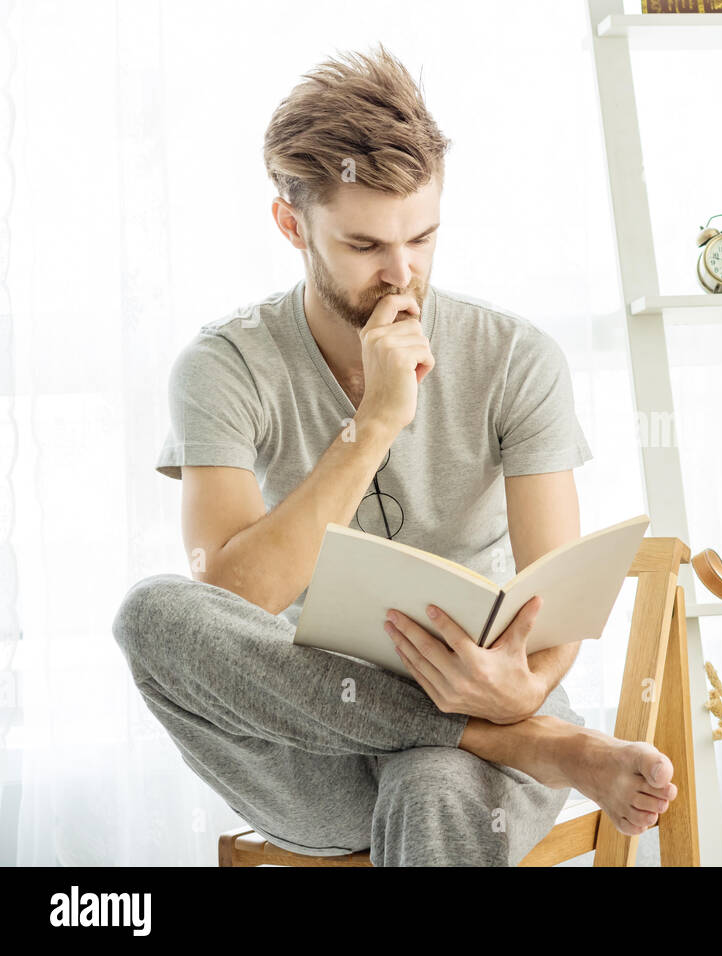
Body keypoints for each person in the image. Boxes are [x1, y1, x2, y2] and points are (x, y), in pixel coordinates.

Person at [110, 44, 676, 866]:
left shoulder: (517, 357)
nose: (401, 273)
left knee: (433, 784)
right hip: (311, 744)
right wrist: (372, 423)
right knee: (150, 616)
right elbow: (234, 596)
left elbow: (559, 592)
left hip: (480, 733)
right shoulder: (223, 365)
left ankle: (494, 736)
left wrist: (525, 687)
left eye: (423, 236)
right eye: (365, 245)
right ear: (290, 223)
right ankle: (529, 743)